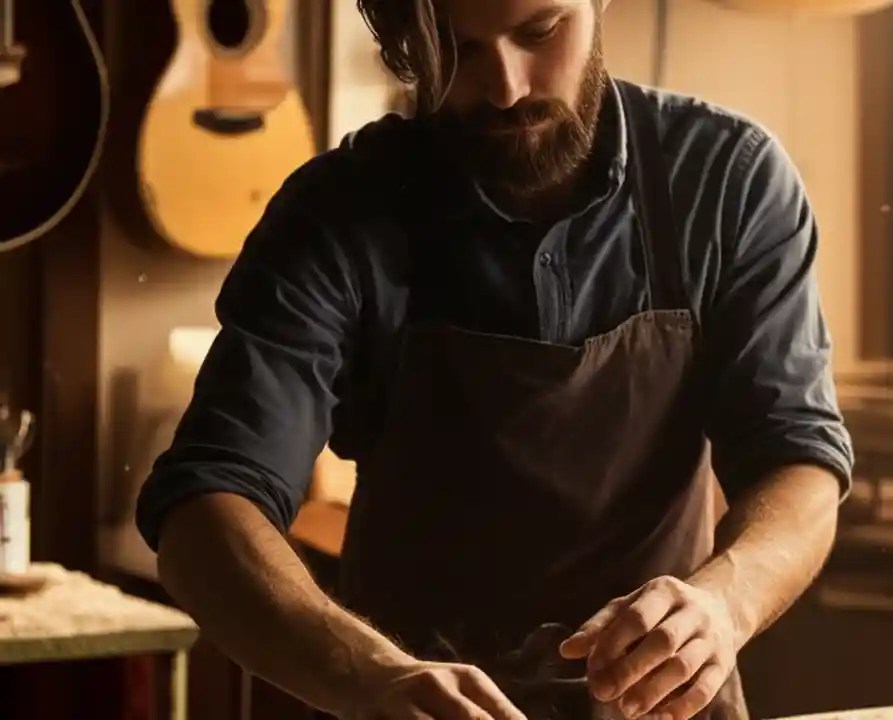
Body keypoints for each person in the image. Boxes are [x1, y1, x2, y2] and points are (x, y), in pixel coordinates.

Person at [134, 0, 855, 718]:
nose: (506, 87)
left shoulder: (728, 181)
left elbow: (798, 461)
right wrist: (367, 675)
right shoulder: (336, 215)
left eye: (540, 32)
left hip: (663, 706)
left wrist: (725, 603)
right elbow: (206, 506)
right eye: (456, 49)